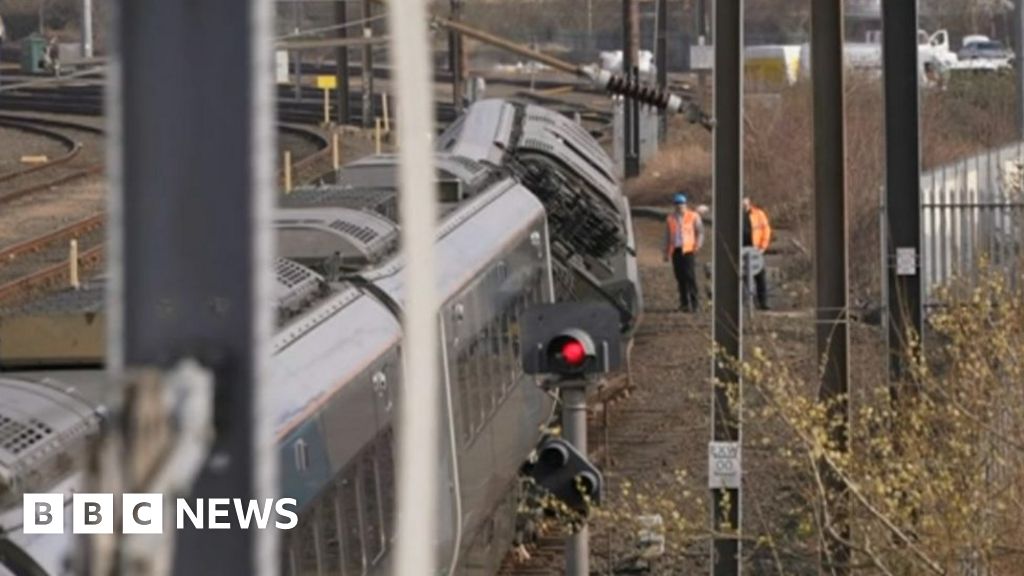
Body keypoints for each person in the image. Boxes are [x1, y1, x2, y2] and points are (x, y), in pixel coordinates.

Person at [664, 193, 704, 312]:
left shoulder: (693, 216)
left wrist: (698, 244)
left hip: (688, 250)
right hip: (676, 250)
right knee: (680, 278)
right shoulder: (670, 219)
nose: (679, 206)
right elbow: (667, 236)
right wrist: (665, 252)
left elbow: (700, 232)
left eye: (681, 204)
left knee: (690, 277)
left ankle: (695, 303)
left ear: (685, 204)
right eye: (677, 204)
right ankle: (684, 303)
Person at [742, 196, 772, 310]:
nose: (743, 203)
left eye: (744, 200)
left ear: (748, 201)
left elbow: (766, 230)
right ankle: (746, 303)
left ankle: (763, 302)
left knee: (760, 277)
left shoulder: (758, 214)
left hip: (756, 250)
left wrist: (762, 247)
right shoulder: (734, 214)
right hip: (741, 250)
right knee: (743, 277)